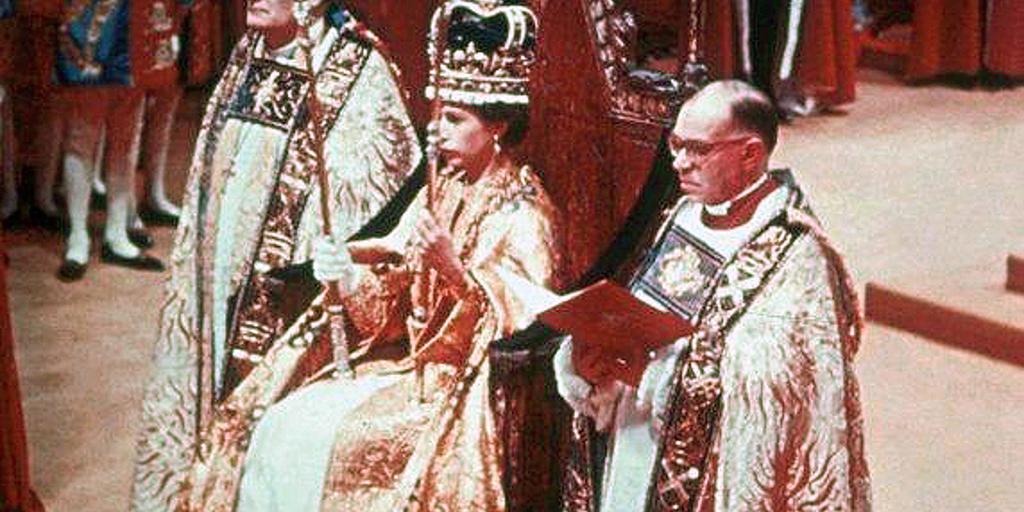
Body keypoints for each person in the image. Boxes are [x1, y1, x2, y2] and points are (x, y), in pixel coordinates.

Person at [231, 2, 560, 510]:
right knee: (279, 422)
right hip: (404, 365)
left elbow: (521, 328)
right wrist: (347, 273)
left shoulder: (526, 213)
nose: (437, 130)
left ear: (497, 125)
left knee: (312, 439)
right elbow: (393, 285)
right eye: (438, 115)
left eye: (454, 119)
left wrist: (454, 271)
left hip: (464, 391)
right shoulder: (442, 185)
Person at [128, 0, 422, 509]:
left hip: (293, 296)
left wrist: (317, 263)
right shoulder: (248, 53)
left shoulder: (358, 68)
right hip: (220, 274)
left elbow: (377, 202)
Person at [556, 80, 870, 511]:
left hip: (710, 474)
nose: (680, 163)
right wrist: (595, 359)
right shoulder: (682, 215)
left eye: (698, 150)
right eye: (676, 145)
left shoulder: (798, 252)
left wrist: (665, 376)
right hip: (633, 437)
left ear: (751, 154)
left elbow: (779, 385)